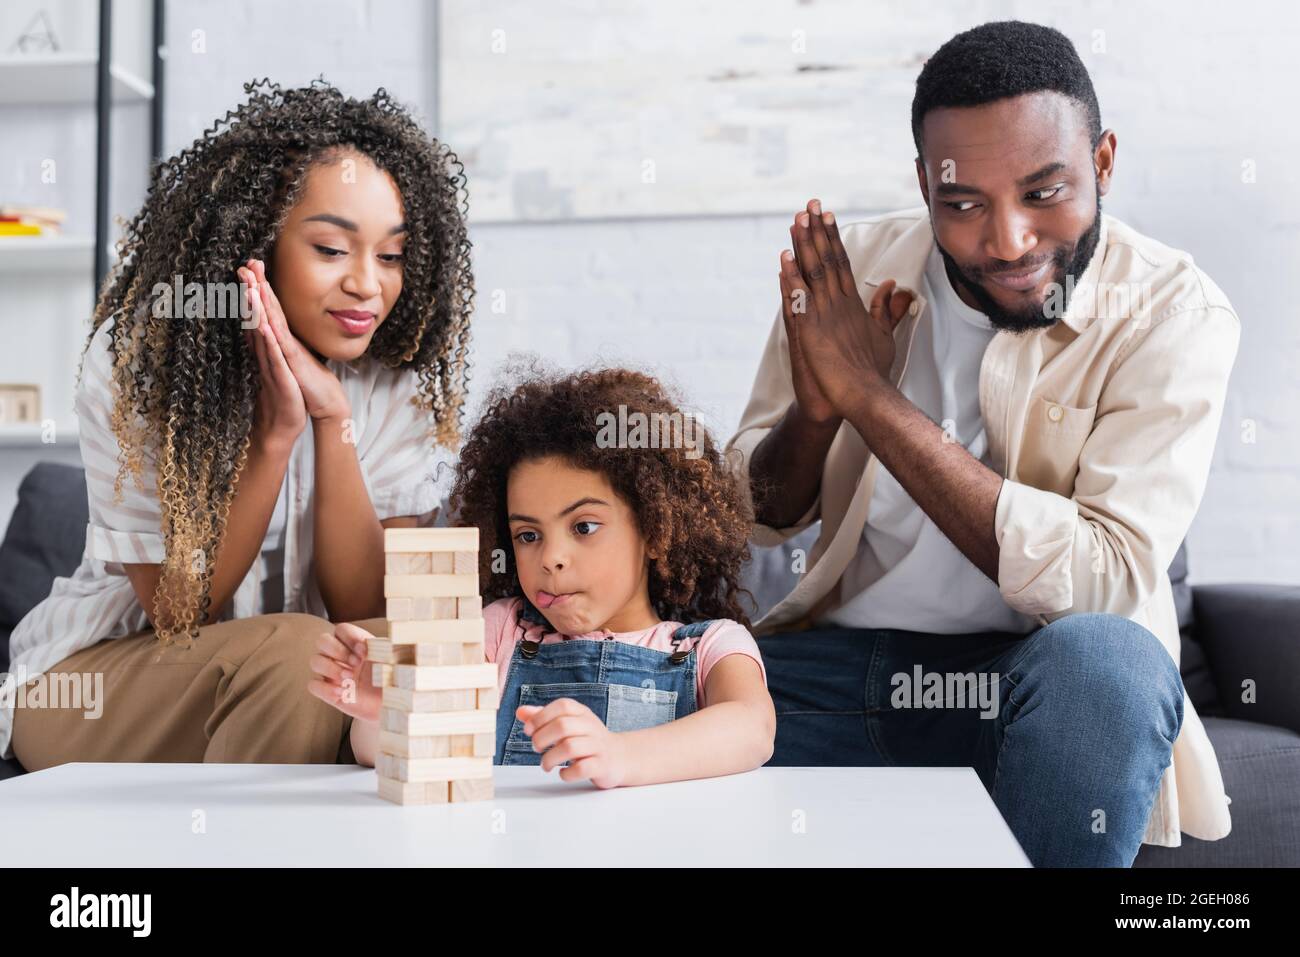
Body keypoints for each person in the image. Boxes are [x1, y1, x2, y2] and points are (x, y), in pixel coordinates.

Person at [730, 21, 1239, 866]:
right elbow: (759, 514)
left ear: (1104, 163)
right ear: (925, 184)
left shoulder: (1173, 314)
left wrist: (869, 397)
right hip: (840, 674)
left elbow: (1101, 578)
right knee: (640, 681)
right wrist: (818, 413)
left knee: (1110, 663)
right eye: (962, 205)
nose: (1007, 241)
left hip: (1030, 695)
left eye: (1046, 193)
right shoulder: (854, 268)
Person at [4, 79, 474, 769]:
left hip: (298, 676)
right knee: (296, 655)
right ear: (253, 245)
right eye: (331, 249)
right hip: (104, 679)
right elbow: (176, 609)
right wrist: (275, 433)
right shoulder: (142, 363)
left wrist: (331, 417)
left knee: (403, 652)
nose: (369, 285)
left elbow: (369, 605)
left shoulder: (390, 377)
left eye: (392, 255)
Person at [310, 366, 775, 786]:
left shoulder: (711, 646)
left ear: (655, 533)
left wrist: (618, 755)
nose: (550, 558)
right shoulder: (499, 633)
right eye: (528, 535)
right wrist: (386, 707)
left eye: (583, 527)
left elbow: (752, 729)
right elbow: (388, 751)